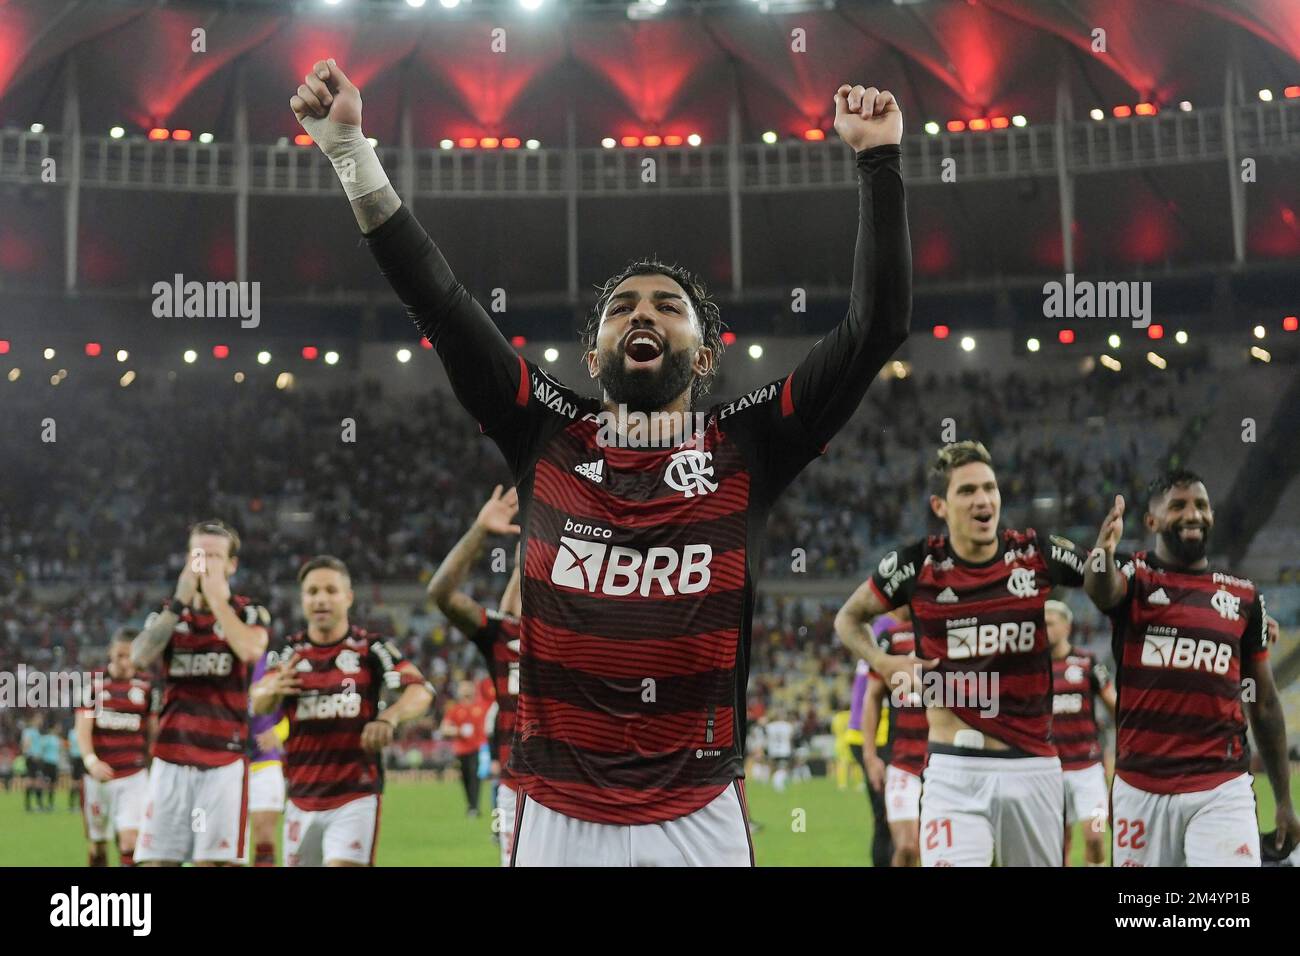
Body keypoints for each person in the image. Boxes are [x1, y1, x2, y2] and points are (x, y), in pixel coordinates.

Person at [289, 57, 910, 866]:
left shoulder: (748, 443)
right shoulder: (544, 429)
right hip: (555, 817)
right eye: (622, 307)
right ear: (592, 352)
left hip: (701, 816)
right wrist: (350, 153)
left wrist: (880, 160)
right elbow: (439, 302)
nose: (641, 314)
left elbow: (876, 330)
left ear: (705, 355)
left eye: (667, 307)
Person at [836, 440, 1090, 866]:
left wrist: (1103, 561)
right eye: (967, 491)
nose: (982, 500)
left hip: (1034, 767)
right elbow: (848, 618)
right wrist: (882, 661)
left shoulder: (1036, 554)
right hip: (954, 770)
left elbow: (1111, 586)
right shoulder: (917, 565)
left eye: (989, 488)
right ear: (940, 504)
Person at [1083, 470, 1300, 866]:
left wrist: (1285, 801)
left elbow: (1265, 702)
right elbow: (1102, 590)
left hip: (1221, 784)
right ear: (1152, 521)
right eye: (1178, 505)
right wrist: (1102, 553)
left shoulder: (1243, 595)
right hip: (1141, 787)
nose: (1193, 514)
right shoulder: (1135, 577)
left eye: (1201, 505)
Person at [252, 555, 434, 867]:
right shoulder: (288, 653)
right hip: (300, 795)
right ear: (302, 599)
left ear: (347, 597)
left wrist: (389, 716)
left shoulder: (370, 649)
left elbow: (421, 690)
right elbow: (258, 702)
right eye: (312, 592)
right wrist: (272, 689)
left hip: (356, 794)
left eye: (330, 591)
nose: (321, 599)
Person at [130, 519, 271, 866]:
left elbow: (252, 651)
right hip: (171, 761)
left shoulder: (247, 612)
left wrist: (217, 601)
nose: (205, 563)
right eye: (198, 555)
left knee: (215, 864)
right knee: (155, 862)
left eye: (214, 556)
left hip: (221, 763)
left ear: (232, 565)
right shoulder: (168, 615)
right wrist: (180, 600)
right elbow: (138, 657)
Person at [429, 486, 522, 865]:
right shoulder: (506, 635)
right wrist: (480, 532)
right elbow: (442, 593)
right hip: (516, 792)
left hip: (585, 789)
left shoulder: (592, 628)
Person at [76, 627, 158, 866]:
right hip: (99, 778)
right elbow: (83, 729)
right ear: (110, 653)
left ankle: (128, 903)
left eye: (129, 655)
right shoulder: (93, 684)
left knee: (130, 843)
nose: (124, 661)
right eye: (119, 655)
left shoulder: (146, 686)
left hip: (134, 775)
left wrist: (154, 770)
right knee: (98, 848)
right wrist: (92, 762)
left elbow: (153, 734)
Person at [1044, 600, 1115, 866]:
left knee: (1095, 837)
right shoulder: (1034, 668)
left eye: (1050, 623)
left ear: (1066, 626)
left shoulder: (1087, 662)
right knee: (1058, 846)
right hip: (1051, 771)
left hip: (1088, 771)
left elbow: (1114, 705)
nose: (1045, 629)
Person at [862, 611, 925, 866]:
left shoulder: (946, 630)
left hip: (943, 759)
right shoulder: (891, 638)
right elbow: (873, 695)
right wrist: (870, 755)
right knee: (907, 847)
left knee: (932, 848)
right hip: (902, 760)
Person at [248, 651, 288, 867]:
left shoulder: (271, 664)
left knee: (264, 839)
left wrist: (278, 733)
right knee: (224, 847)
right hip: (225, 762)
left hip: (264, 764)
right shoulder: (216, 657)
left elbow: (291, 712)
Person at [439, 680, 489, 817]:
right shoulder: (455, 709)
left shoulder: (481, 707)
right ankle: (470, 805)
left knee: (474, 775)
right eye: (463, 688)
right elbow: (444, 728)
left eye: (467, 688)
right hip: (461, 749)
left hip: (478, 748)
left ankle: (474, 807)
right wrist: (459, 730)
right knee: (466, 777)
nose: (465, 691)